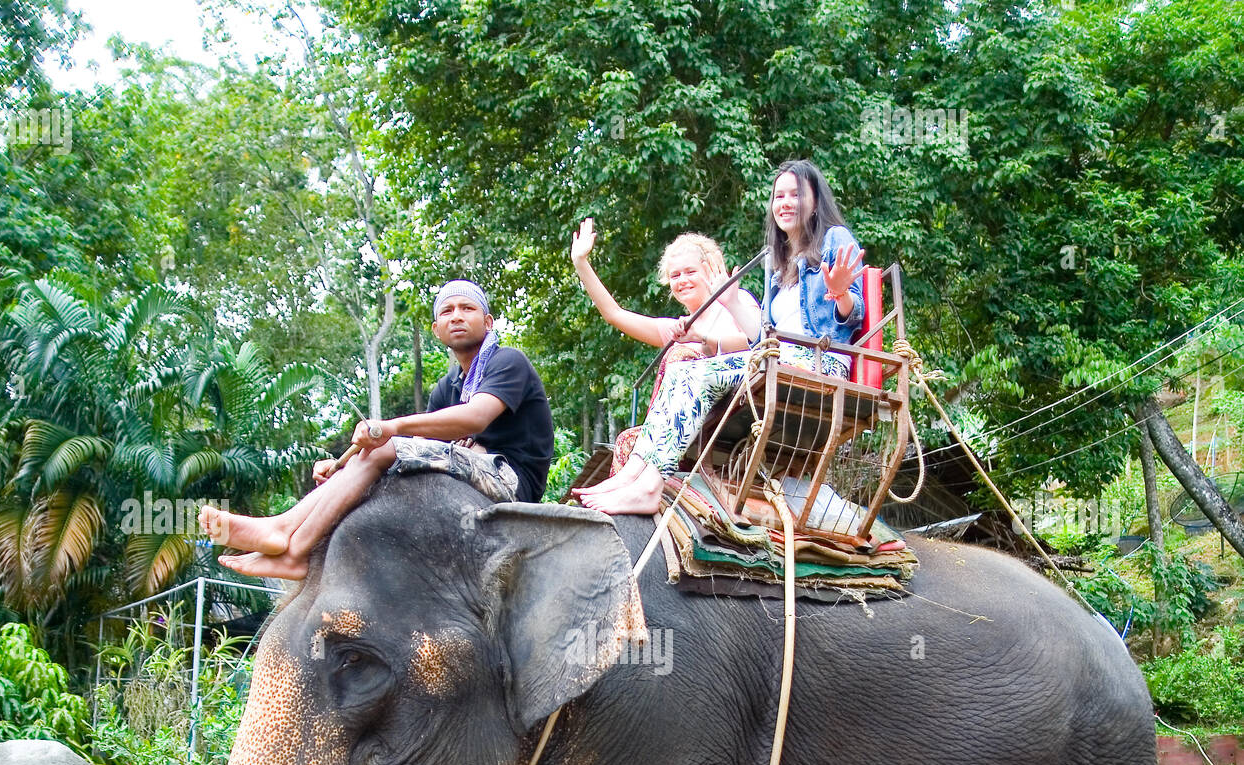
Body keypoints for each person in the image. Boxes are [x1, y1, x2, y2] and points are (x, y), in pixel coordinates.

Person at [199, 280, 554, 578]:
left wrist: (390, 426)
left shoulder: (508, 361)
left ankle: (291, 544)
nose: (456, 316)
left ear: (488, 322)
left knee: (385, 446)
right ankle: (286, 530)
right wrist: (339, 468)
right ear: (436, 329)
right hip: (468, 468)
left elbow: (475, 417)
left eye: (467, 308)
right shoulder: (446, 387)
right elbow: (420, 448)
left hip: (510, 481)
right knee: (375, 454)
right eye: (446, 311)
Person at [575, 160, 865, 516]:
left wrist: (839, 293)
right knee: (683, 371)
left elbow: (853, 315)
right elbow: (762, 336)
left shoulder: (834, 240)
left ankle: (651, 487)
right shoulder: (777, 263)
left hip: (821, 361)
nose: (785, 203)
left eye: (796, 194)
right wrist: (728, 299)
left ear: (816, 202)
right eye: (779, 196)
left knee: (698, 370)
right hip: (780, 358)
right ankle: (635, 472)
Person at [569, 219, 762, 479]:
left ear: (710, 270)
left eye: (690, 272)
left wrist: (702, 339)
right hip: (681, 422)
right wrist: (581, 263)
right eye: (675, 275)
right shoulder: (678, 330)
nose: (682, 280)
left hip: (729, 412)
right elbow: (615, 314)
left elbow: (754, 342)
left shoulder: (736, 303)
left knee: (681, 354)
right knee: (627, 440)